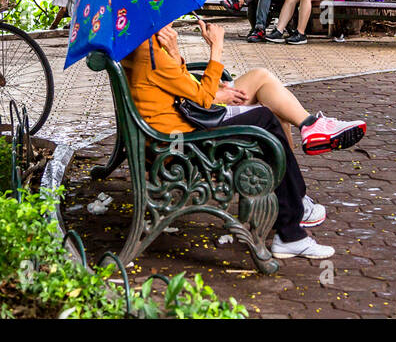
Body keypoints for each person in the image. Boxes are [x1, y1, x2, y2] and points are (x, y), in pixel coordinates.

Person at [126, 19, 367, 260]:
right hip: (181, 142)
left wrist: (176, 52)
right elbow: (199, 95)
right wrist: (216, 48)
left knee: (266, 101)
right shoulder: (149, 51)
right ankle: (291, 230)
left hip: (180, 125)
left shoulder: (141, 40)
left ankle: (299, 185)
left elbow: (174, 82)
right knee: (266, 118)